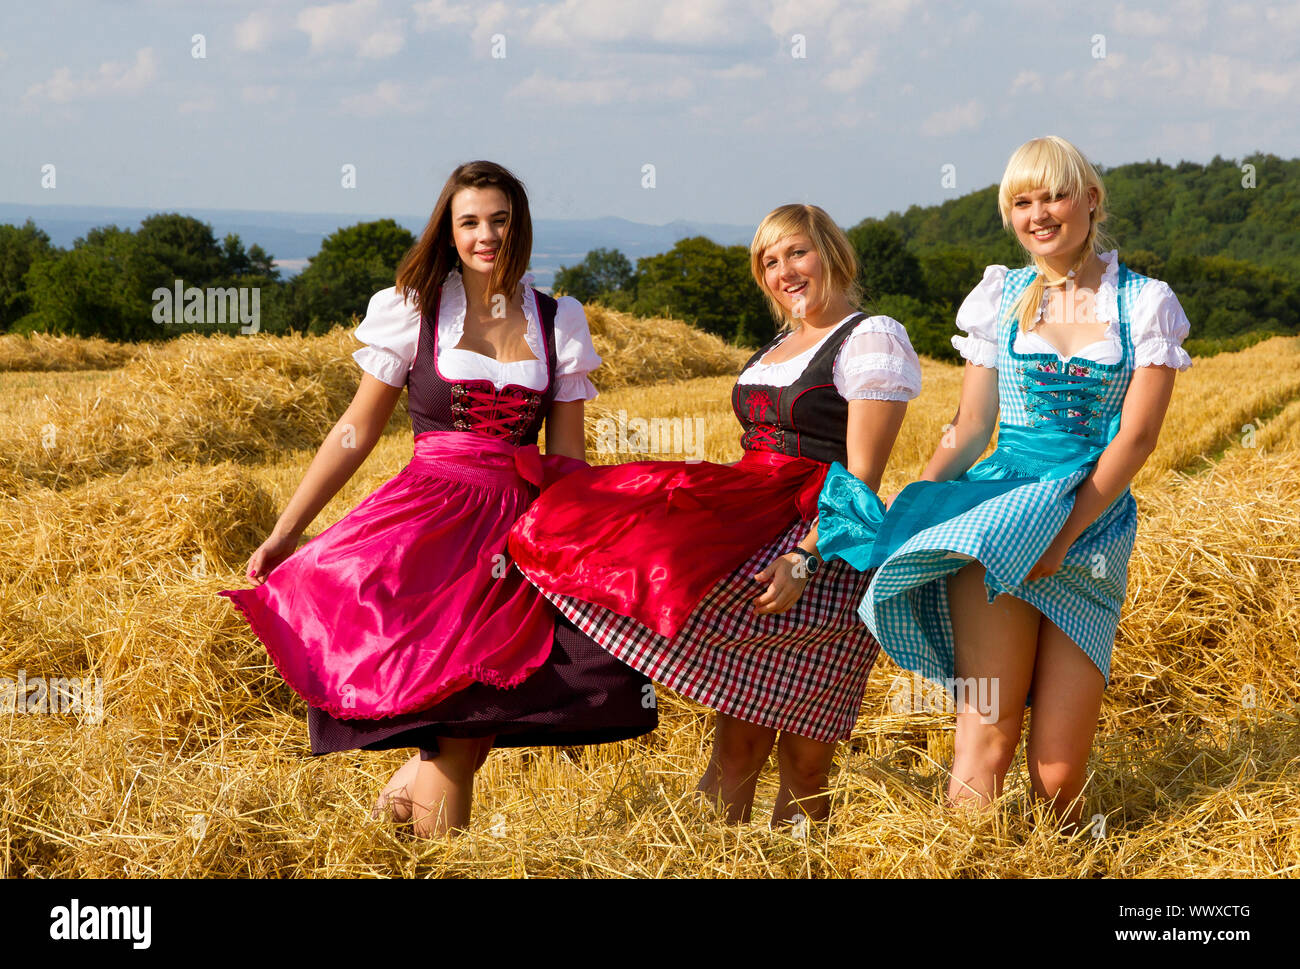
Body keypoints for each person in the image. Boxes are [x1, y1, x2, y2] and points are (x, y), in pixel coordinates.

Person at [219, 161, 656, 838]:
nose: (487, 235)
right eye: (470, 222)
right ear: (448, 232)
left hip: (516, 538)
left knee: (471, 727)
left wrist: (596, 552)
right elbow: (355, 430)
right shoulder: (413, 309)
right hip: (429, 530)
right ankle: (436, 856)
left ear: (522, 226)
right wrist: (287, 528)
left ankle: (385, 835)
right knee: (455, 728)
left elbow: (568, 461)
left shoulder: (558, 319)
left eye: (501, 220)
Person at [817, 135, 1192, 827]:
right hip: (998, 519)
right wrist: (919, 499)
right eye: (1022, 200)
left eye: (1053, 195)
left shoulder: (1145, 302)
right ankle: (971, 863)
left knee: (1057, 771)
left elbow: (1136, 438)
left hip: (1091, 525)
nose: (1039, 213)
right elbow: (969, 426)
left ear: (1091, 200)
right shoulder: (1001, 295)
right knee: (985, 739)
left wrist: (1064, 535)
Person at [509, 203, 920, 826]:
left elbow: (861, 479)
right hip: (755, 521)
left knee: (808, 761)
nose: (784, 271)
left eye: (797, 253)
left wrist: (804, 559)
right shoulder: (780, 344)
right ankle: (718, 860)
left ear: (832, 253)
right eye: (770, 261)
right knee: (738, 745)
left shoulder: (872, 336)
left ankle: (800, 868)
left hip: (826, 552)